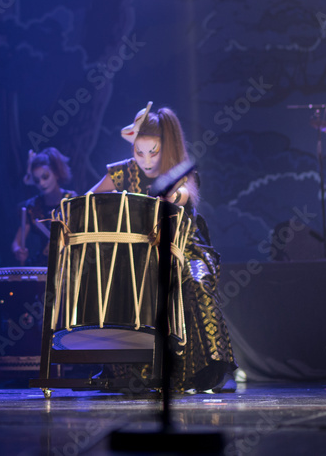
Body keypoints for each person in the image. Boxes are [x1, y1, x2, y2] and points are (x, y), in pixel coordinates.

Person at [89, 103, 235, 392]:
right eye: (138, 152)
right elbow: (91, 198)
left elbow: (180, 196)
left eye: (153, 151)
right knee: (123, 279)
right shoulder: (123, 172)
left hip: (186, 249)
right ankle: (127, 368)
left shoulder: (178, 173)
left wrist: (168, 198)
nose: (145, 160)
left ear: (166, 146)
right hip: (139, 253)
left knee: (195, 283)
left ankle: (202, 372)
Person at [11, 148, 77, 265]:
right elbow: (17, 242)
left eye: (45, 176)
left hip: (69, 264)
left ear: (56, 173)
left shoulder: (71, 200)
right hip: (42, 266)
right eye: (37, 180)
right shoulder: (33, 206)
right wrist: (18, 251)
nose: (42, 183)